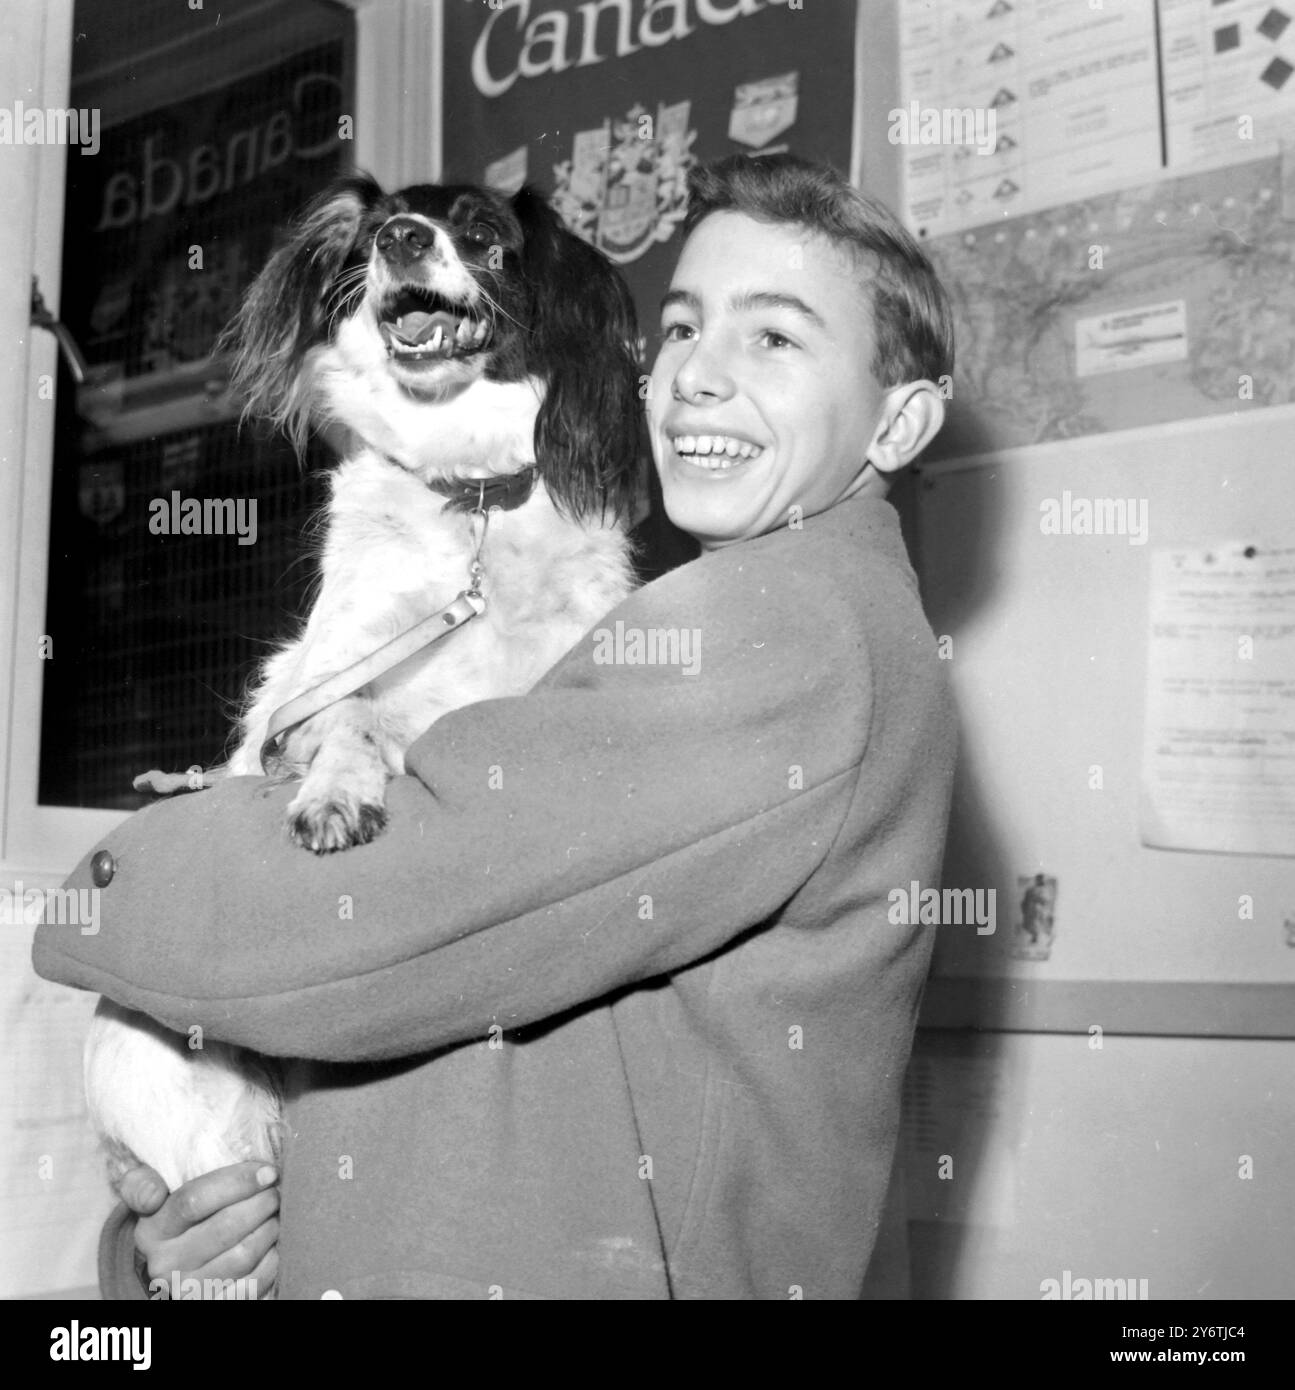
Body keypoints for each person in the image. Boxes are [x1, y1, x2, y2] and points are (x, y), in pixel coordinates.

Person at [35, 152, 956, 1300]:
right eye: (678, 326)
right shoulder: (684, 616)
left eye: (772, 338)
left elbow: (364, 929)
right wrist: (170, 1259)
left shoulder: (793, 631)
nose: (694, 378)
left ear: (901, 419)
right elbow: (429, 1050)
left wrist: (107, 885)